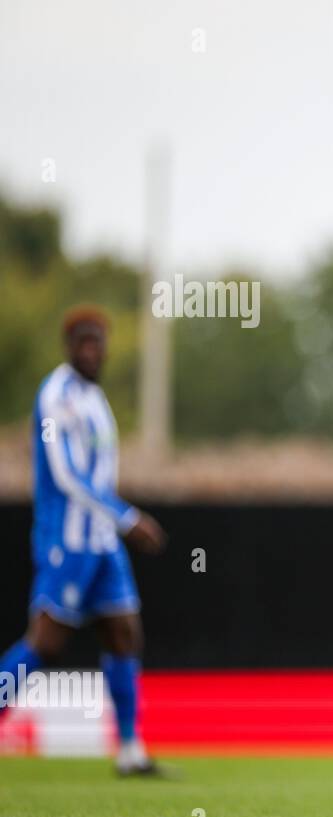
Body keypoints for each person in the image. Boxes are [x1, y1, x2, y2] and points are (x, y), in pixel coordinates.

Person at [0, 304, 168, 775]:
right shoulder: (56, 396)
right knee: (47, 641)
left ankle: (131, 750)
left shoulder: (94, 398)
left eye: (98, 342)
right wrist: (126, 516)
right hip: (67, 540)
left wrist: (113, 525)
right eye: (84, 342)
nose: (92, 350)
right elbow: (67, 474)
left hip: (101, 543)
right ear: (69, 347)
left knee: (123, 633)